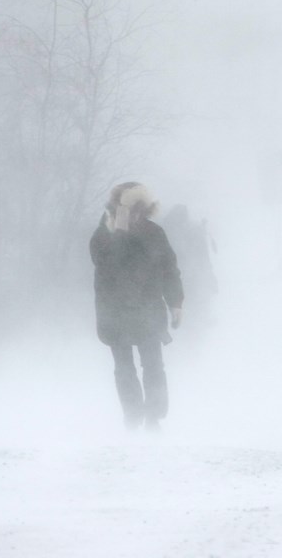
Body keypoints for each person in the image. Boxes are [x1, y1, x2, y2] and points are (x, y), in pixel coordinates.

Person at [89, 182, 184, 431]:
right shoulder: (103, 236)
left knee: (153, 365)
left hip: (148, 309)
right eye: (127, 210)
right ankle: (132, 416)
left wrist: (176, 302)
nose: (134, 215)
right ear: (117, 209)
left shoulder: (154, 233)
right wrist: (119, 233)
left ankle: (153, 417)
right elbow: (107, 265)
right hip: (114, 312)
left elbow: (169, 269)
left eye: (138, 210)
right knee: (124, 369)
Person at [161, 204, 218, 318]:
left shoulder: (168, 231)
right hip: (185, 277)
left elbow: (202, 257)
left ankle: (195, 322)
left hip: (183, 277)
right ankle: (196, 322)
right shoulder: (192, 231)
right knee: (190, 303)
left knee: (188, 303)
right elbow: (203, 257)